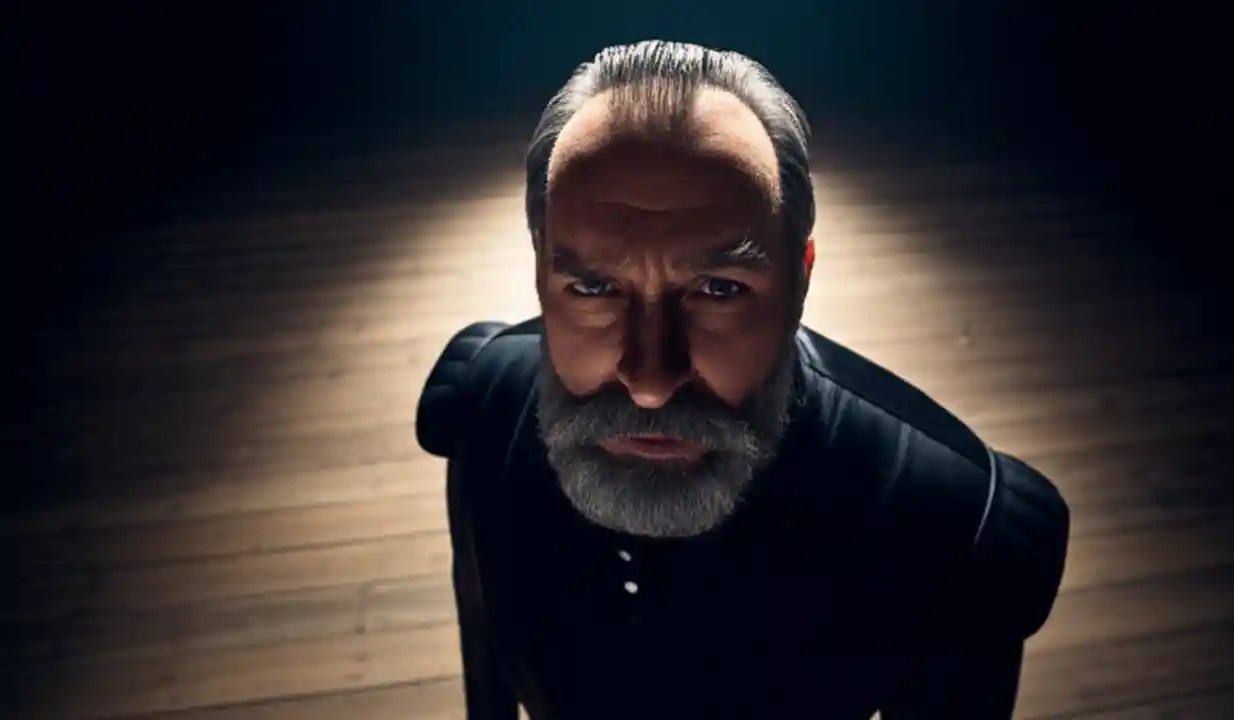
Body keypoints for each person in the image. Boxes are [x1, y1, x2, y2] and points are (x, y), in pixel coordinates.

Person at [416, 39, 1070, 719]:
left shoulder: (948, 526)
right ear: (539, 272)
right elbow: (484, 637)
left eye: (719, 288)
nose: (649, 381)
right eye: (591, 285)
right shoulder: (484, 400)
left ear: (801, 278)